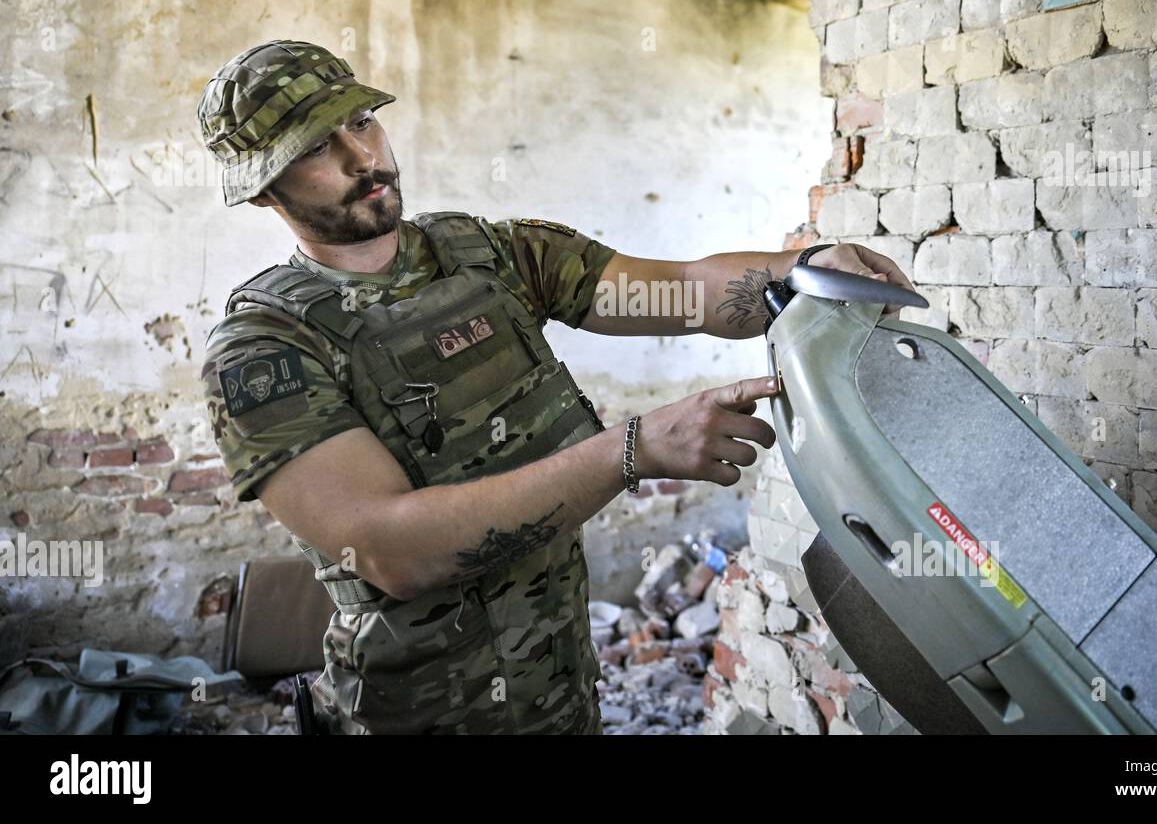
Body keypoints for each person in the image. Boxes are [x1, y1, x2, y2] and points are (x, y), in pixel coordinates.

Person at [197, 40, 915, 734]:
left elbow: (683, 291)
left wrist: (807, 268)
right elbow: (392, 549)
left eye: (360, 122)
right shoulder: (265, 347)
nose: (363, 157)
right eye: (317, 148)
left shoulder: (491, 253)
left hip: (562, 691)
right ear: (265, 189)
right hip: (414, 716)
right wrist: (629, 451)